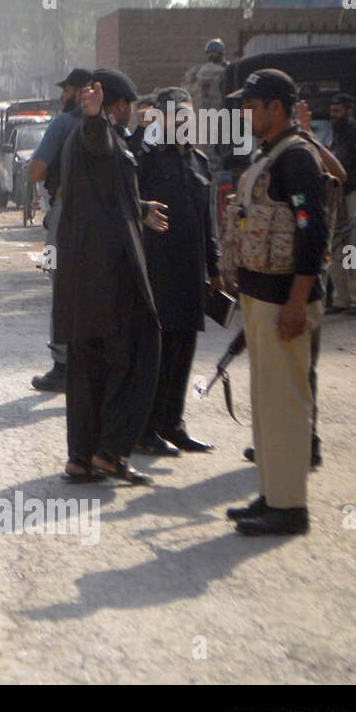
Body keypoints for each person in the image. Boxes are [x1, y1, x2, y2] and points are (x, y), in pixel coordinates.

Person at [223, 70, 329, 536]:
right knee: (266, 401)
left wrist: (297, 301)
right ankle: (271, 495)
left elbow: (312, 232)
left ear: (276, 108)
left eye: (252, 105)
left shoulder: (298, 160)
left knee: (285, 403)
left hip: (285, 300)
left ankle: (289, 508)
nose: (246, 113)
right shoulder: (269, 156)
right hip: (260, 297)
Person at [54, 70, 169, 486]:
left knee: (89, 366)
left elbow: (101, 191)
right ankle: (112, 451)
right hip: (109, 275)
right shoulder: (95, 134)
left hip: (84, 276)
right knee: (139, 351)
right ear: (118, 105)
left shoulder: (98, 143)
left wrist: (139, 207)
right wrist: (94, 117)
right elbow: (96, 143)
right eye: (129, 107)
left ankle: (81, 458)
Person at [134, 88, 220, 456]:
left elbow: (207, 220)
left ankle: (174, 424)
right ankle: (147, 429)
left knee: (184, 349)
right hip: (158, 271)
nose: (184, 122)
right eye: (176, 116)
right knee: (160, 352)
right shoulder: (147, 160)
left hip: (190, 273)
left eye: (188, 115)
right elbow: (128, 204)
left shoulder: (199, 163)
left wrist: (215, 267)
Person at [26, 68, 91, 392]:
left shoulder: (63, 124)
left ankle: (62, 365)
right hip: (101, 217)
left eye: (67, 90)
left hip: (62, 215)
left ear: (80, 92)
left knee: (56, 278)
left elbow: (35, 171)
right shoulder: (109, 124)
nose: (63, 96)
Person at [325, 93, 356, 315]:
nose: (333, 115)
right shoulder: (335, 138)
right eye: (332, 111)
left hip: (354, 196)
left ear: (349, 111)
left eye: (337, 111)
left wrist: (346, 183)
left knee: (353, 248)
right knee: (337, 248)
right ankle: (341, 298)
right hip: (337, 198)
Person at [185, 38, 229, 159]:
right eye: (209, 52)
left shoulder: (227, 70)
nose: (211, 55)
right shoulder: (201, 71)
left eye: (214, 52)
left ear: (220, 53)